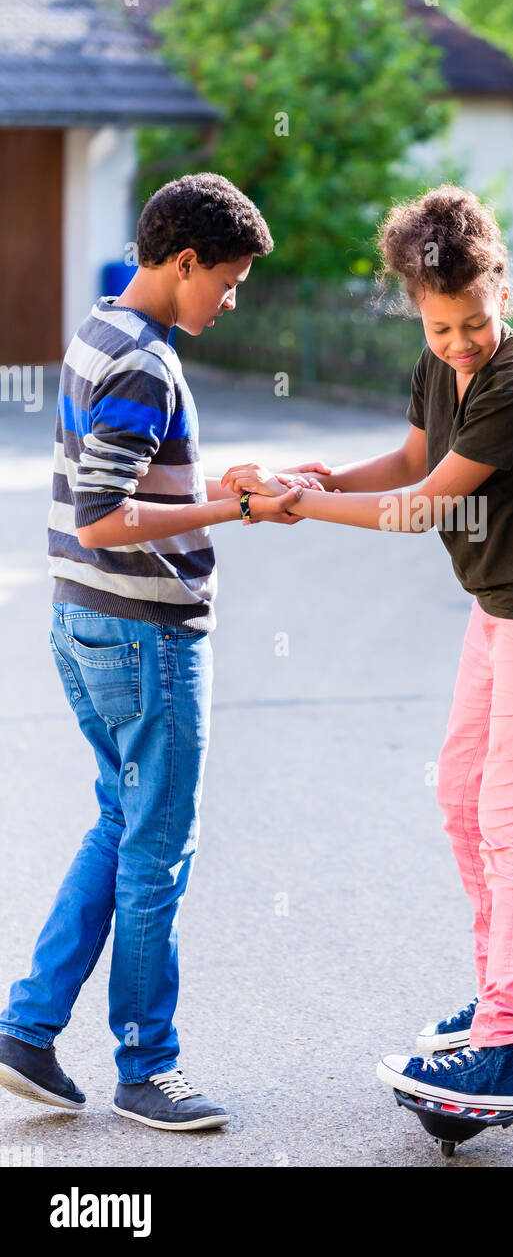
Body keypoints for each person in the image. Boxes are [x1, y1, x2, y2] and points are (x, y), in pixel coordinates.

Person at [222, 184, 513, 1110]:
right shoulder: (436, 368)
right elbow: (404, 465)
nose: (458, 343)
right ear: (419, 312)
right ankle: (503, 996)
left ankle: (506, 1038)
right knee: (458, 794)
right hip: (499, 601)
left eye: (473, 323)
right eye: (440, 328)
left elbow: (422, 506)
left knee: (512, 811)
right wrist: (305, 478)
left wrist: (302, 505)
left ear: (502, 293)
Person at [0, 173, 322, 1132]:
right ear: (184, 262)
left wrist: (222, 478)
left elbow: (129, 475)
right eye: (225, 281)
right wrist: (239, 507)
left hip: (84, 624)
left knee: (120, 823)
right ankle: (148, 1066)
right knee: (157, 849)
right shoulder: (147, 362)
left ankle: (27, 1027)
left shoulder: (102, 328)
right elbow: (106, 517)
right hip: (145, 634)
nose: (231, 300)